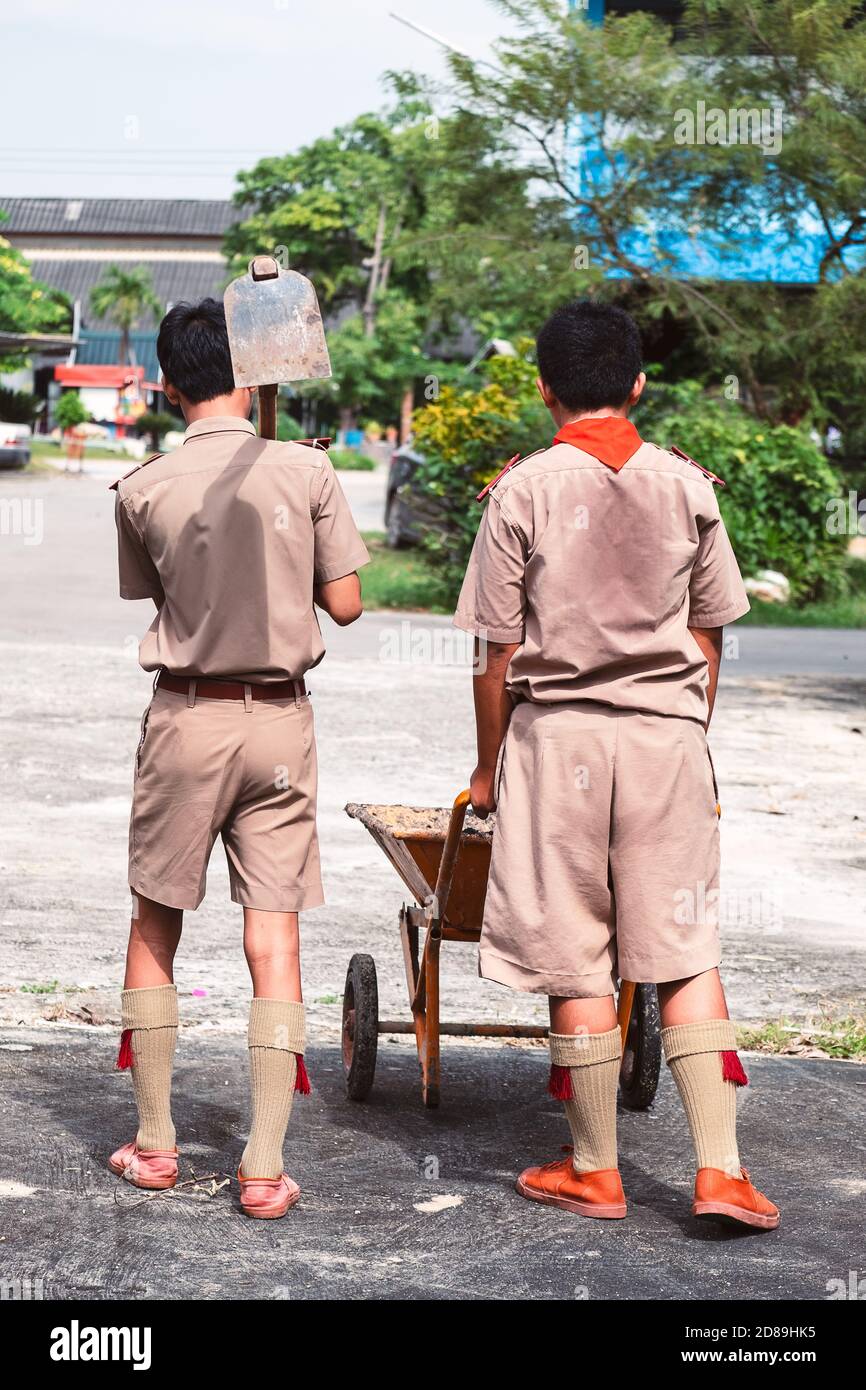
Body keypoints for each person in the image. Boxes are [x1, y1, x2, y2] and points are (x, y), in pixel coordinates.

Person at [453, 299, 779, 1230]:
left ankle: (596, 1170)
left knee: (574, 953)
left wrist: (487, 771)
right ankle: (721, 1171)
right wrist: (687, 734)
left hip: (557, 745)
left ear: (544, 389)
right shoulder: (688, 487)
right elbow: (710, 635)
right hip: (667, 742)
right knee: (684, 951)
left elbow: (494, 655)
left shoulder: (522, 490)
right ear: (639, 383)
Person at [109, 298, 369, 1219]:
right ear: (254, 373)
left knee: (156, 922)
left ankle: (154, 1147)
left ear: (168, 383)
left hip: (185, 721)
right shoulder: (307, 471)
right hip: (280, 727)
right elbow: (345, 604)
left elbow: (157, 594)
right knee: (276, 935)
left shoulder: (142, 485)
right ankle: (262, 1167)